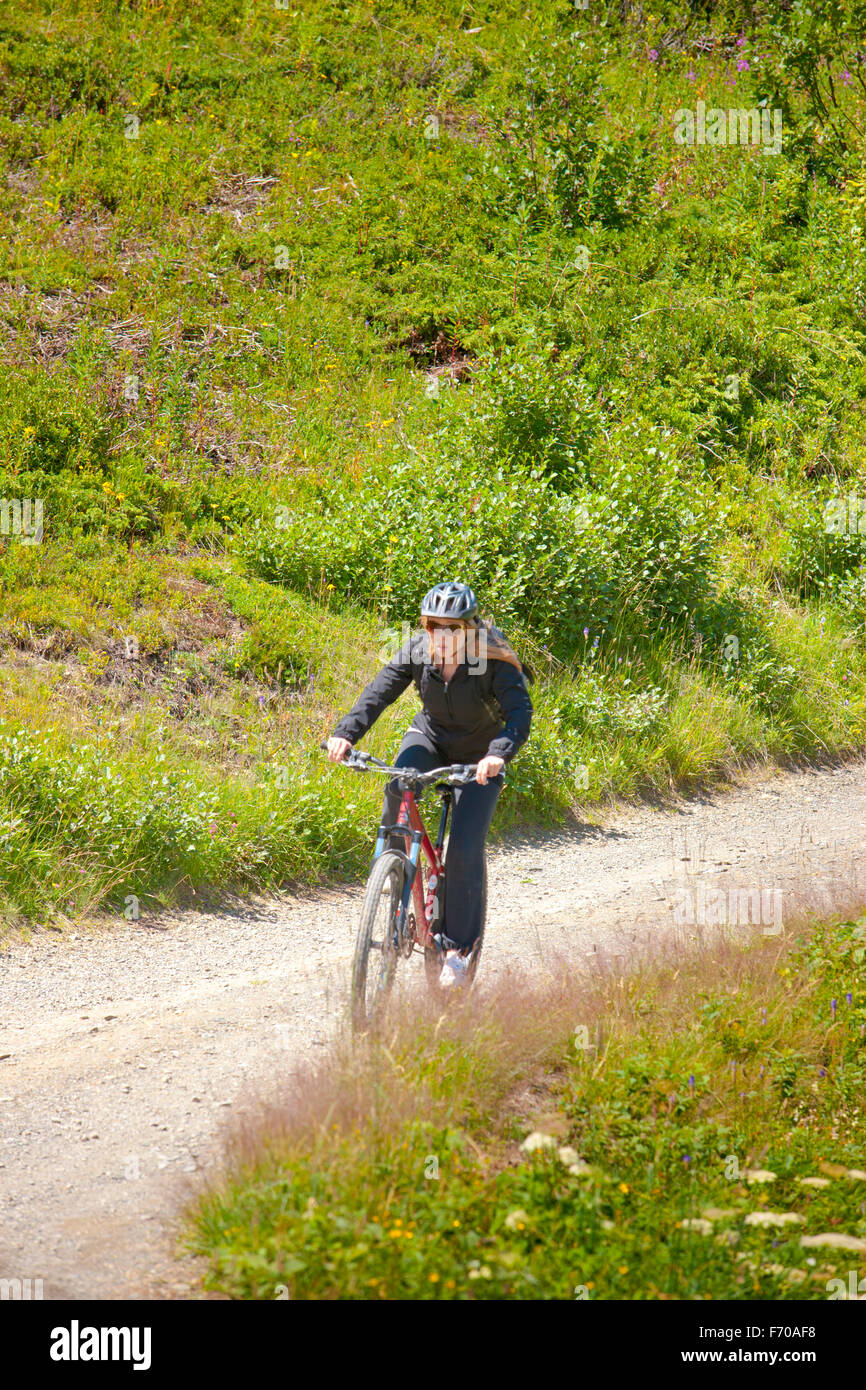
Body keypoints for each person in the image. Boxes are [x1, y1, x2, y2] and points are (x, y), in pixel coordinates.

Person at [325, 580, 533, 989]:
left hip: (480, 760)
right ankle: (395, 866)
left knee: (463, 848)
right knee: (399, 783)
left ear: (469, 629)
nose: (441, 636)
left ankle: (456, 949)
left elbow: (518, 714)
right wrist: (346, 733)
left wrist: (497, 754)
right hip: (431, 739)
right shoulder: (418, 650)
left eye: (451, 628)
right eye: (433, 625)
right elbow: (380, 691)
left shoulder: (492, 659)